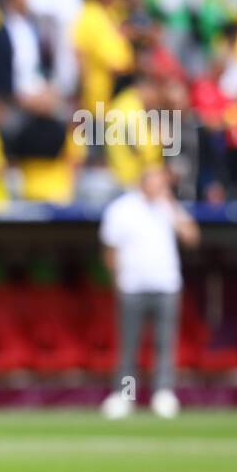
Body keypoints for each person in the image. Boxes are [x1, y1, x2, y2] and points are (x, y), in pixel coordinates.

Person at [99, 165, 201, 420]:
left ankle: (163, 394)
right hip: (132, 286)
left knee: (165, 344)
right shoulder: (122, 209)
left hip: (166, 286)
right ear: (143, 182)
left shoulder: (168, 207)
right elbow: (110, 250)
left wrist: (172, 206)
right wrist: (118, 282)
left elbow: (191, 237)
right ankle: (125, 396)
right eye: (156, 181)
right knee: (129, 345)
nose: (160, 186)